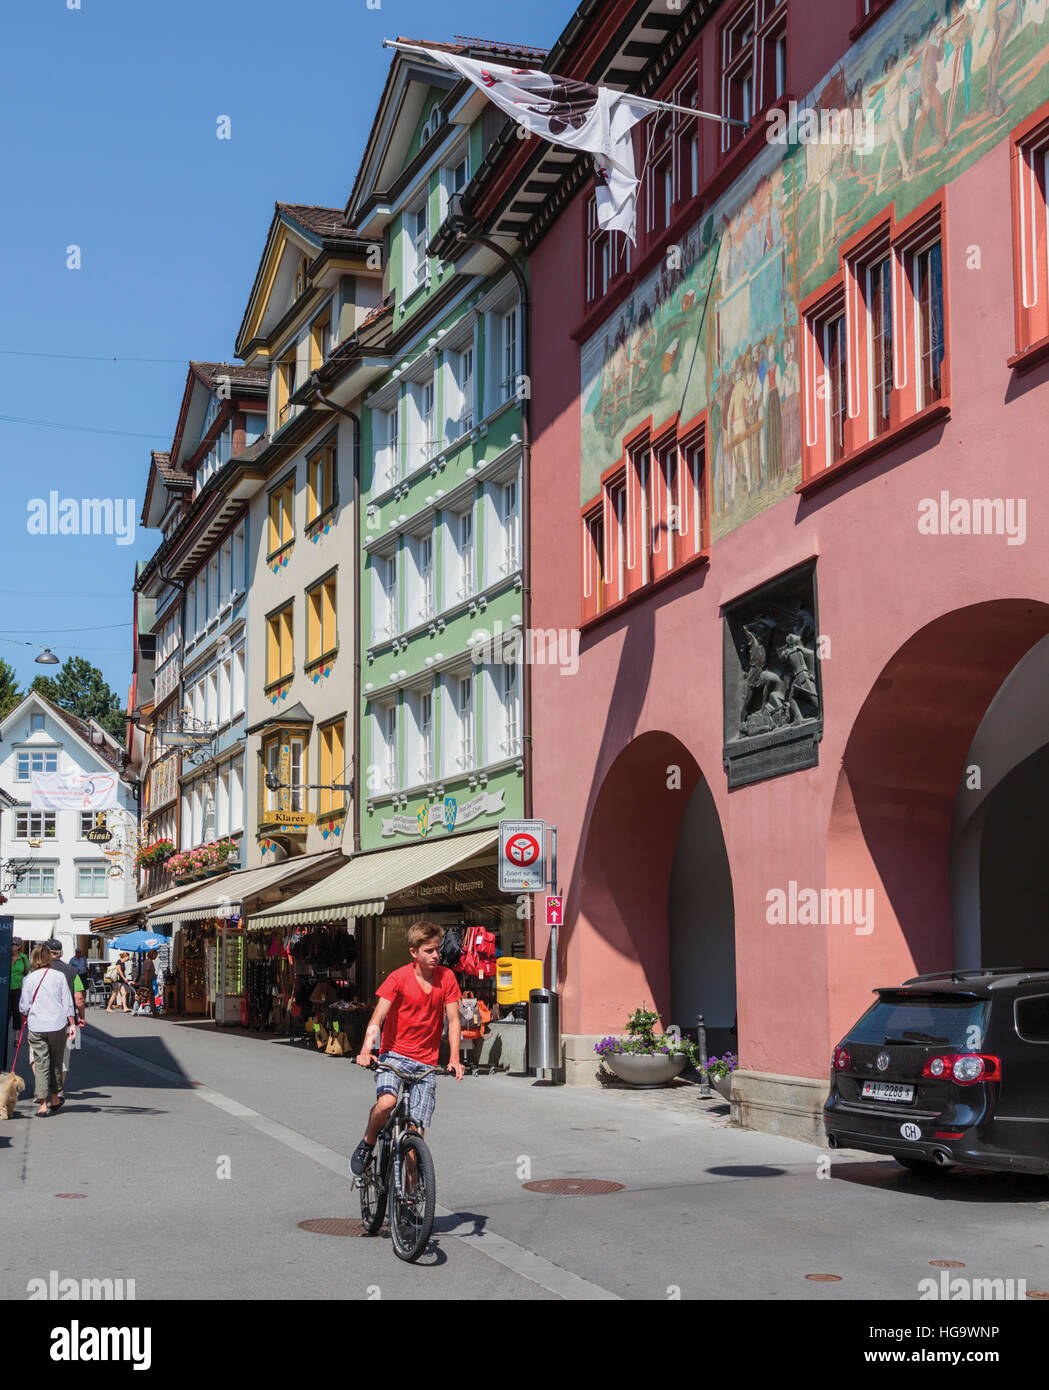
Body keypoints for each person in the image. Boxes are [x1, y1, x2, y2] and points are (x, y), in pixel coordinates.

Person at [350, 921, 464, 1176]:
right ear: (414, 952)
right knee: (387, 1102)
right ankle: (368, 1142)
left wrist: (455, 1058)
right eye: (429, 951)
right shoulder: (398, 978)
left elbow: (454, 1020)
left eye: (437, 949)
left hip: (426, 1061)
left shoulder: (447, 978)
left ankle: (411, 1202)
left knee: (414, 1132)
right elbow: (378, 1018)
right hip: (394, 1056)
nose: (436, 955)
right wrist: (367, 1050)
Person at [19, 944, 75, 1116]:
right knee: (56, 1062)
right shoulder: (59, 976)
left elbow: (23, 1006)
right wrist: (72, 1024)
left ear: (34, 959)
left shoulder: (28, 978)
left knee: (41, 1063)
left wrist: (25, 1019)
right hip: (57, 1024)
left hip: (37, 1026)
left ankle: (42, 1104)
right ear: (49, 958)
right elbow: (67, 1003)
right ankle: (56, 1097)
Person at [45, 940, 85, 1100]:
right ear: (60, 952)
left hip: (40, 1020)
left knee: (38, 1057)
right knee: (62, 1057)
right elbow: (79, 997)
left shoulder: (37, 969)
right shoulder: (71, 970)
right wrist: (81, 1016)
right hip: (65, 1021)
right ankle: (59, 1091)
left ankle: (40, 1090)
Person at [134, 951, 158, 1016]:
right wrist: (146, 982)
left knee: (143, 996)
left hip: (146, 980)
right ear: (152, 954)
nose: (156, 956)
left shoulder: (147, 961)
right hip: (146, 981)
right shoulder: (149, 961)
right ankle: (154, 1012)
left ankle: (134, 1010)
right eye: (155, 955)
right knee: (143, 996)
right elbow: (147, 971)